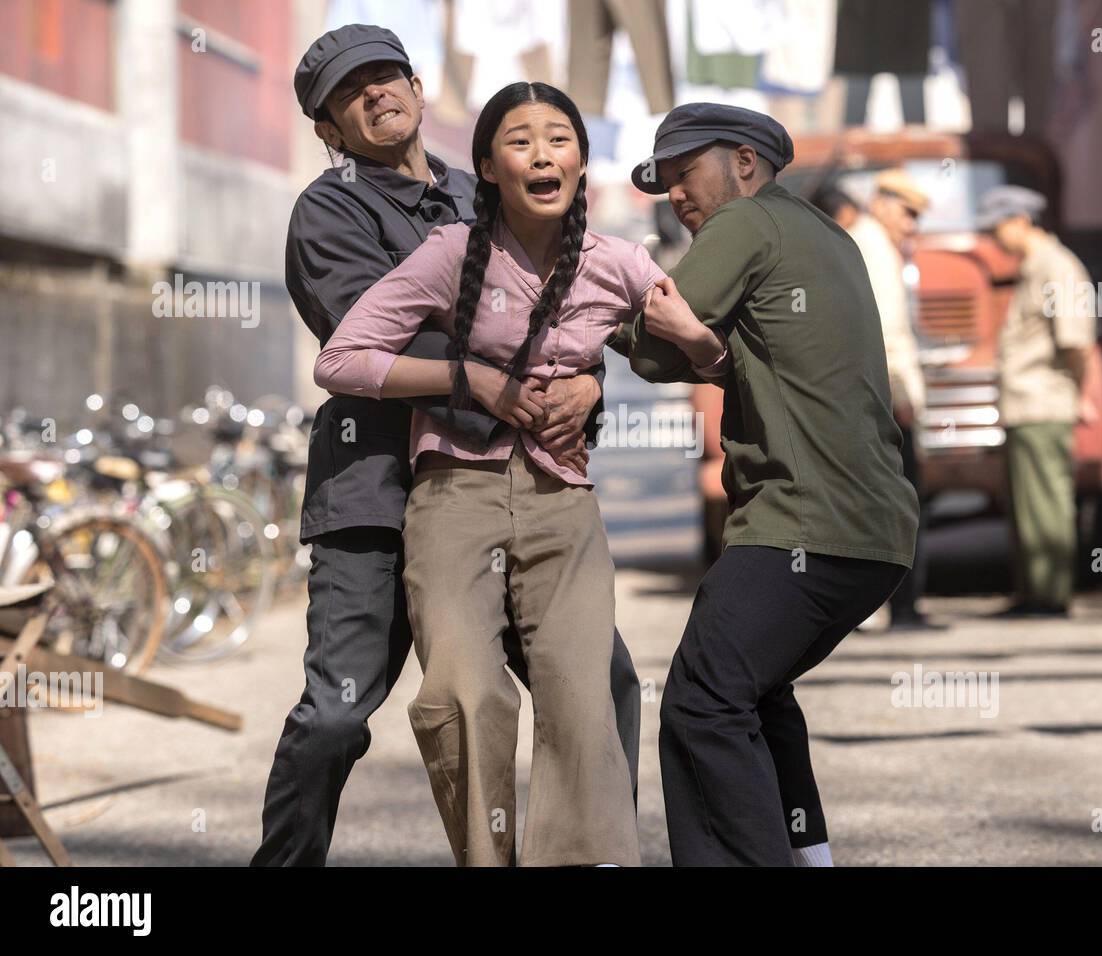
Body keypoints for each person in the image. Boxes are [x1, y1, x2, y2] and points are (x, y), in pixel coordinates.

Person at [252, 26, 642, 867]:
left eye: (389, 75)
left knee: (601, 682)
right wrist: (506, 377)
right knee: (335, 718)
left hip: (505, 486)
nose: (376, 93)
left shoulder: (489, 186)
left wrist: (589, 386)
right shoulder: (329, 212)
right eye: (350, 93)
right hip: (376, 493)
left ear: (422, 90)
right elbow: (377, 346)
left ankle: (595, 855)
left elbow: (576, 303)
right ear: (328, 129)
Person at [315, 82, 729, 867]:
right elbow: (340, 359)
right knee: (464, 694)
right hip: (453, 498)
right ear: (487, 170)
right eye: (520, 140)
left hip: (562, 506)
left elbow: (706, 355)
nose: (543, 154)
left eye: (559, 139)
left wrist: (692, 346)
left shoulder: (620, 264)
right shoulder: (447, 256)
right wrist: (467, 378)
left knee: (580, 698)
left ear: (581, 163)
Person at [610, 103, 918, 866]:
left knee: (703, 702)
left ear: (745, 163)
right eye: (665, 183)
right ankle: (809, 854)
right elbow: (727, 346)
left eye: (687, 173)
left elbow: (655, 347)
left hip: (801, 522)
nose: (676, 194)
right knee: (756, 688)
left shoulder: (742, 225)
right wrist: (707, 351)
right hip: (875, 529)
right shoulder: (828, 235)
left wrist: (587, 295)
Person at [813, 171, 940, 630]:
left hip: (880, 394)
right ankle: (899, 606)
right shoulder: (872, 245)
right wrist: (900, 396)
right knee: (895, 505)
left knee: (888, 504)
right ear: (882, 203)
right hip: (885, 395)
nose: (912, 225)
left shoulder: (878, 244)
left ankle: (896, 605)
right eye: (907, 213)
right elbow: (882, 333)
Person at [976, 185, 1096, 617]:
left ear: (1020, 222)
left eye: (997, 228)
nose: (993, 239)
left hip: (1044, 400)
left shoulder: (1057, 267)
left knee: (1045, 500)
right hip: (1026, 403)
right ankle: (1032, 591)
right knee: (1025, 503)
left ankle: (1050, 595)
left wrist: (1078, 395)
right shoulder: (1035, 266)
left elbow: (1076, 343)